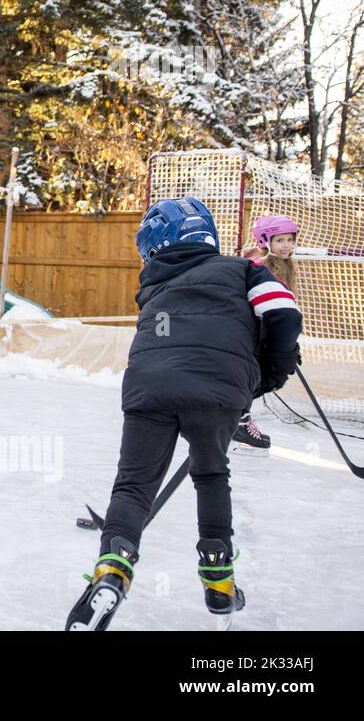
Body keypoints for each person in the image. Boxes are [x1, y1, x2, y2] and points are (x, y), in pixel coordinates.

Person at [66, 197, 300, 630]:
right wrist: (270, 371)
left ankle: (114, 566)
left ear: (157, 248)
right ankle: (219, 578)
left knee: (134, 485)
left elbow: (171, 337)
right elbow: (283, 311)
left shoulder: (153, 288)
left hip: (147, 388)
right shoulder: (243, 270)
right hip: (216, 393)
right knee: (211, 475)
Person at [233, 215, 300, 453]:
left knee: (269, 377)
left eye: (290, 240)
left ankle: (238, 414)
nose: (287, 245)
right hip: (252, 334)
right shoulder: (261, 265)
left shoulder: (285, 264)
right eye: (280, 240)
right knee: (265, 376)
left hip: (265, 333)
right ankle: (237, 417)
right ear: (265, 241)